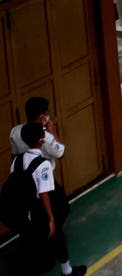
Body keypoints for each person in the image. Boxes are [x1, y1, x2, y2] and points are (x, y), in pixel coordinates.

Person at [11, 122, 86, 276]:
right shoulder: (43, 164)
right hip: (39, 208)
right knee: (57, 234)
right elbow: (44, 193)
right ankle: (67, 270)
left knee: (31, 238)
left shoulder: (16, 160)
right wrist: (51, 218)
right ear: (41, 140)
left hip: (23, 208)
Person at [10, 96, 65, 164]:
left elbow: (14, 155)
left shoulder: (15, 131)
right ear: (42, 117)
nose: (48, 115)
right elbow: (60, 154)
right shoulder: (45, 137)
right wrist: (53, 132)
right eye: (47, 113)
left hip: (24, 173)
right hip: (44, 172)